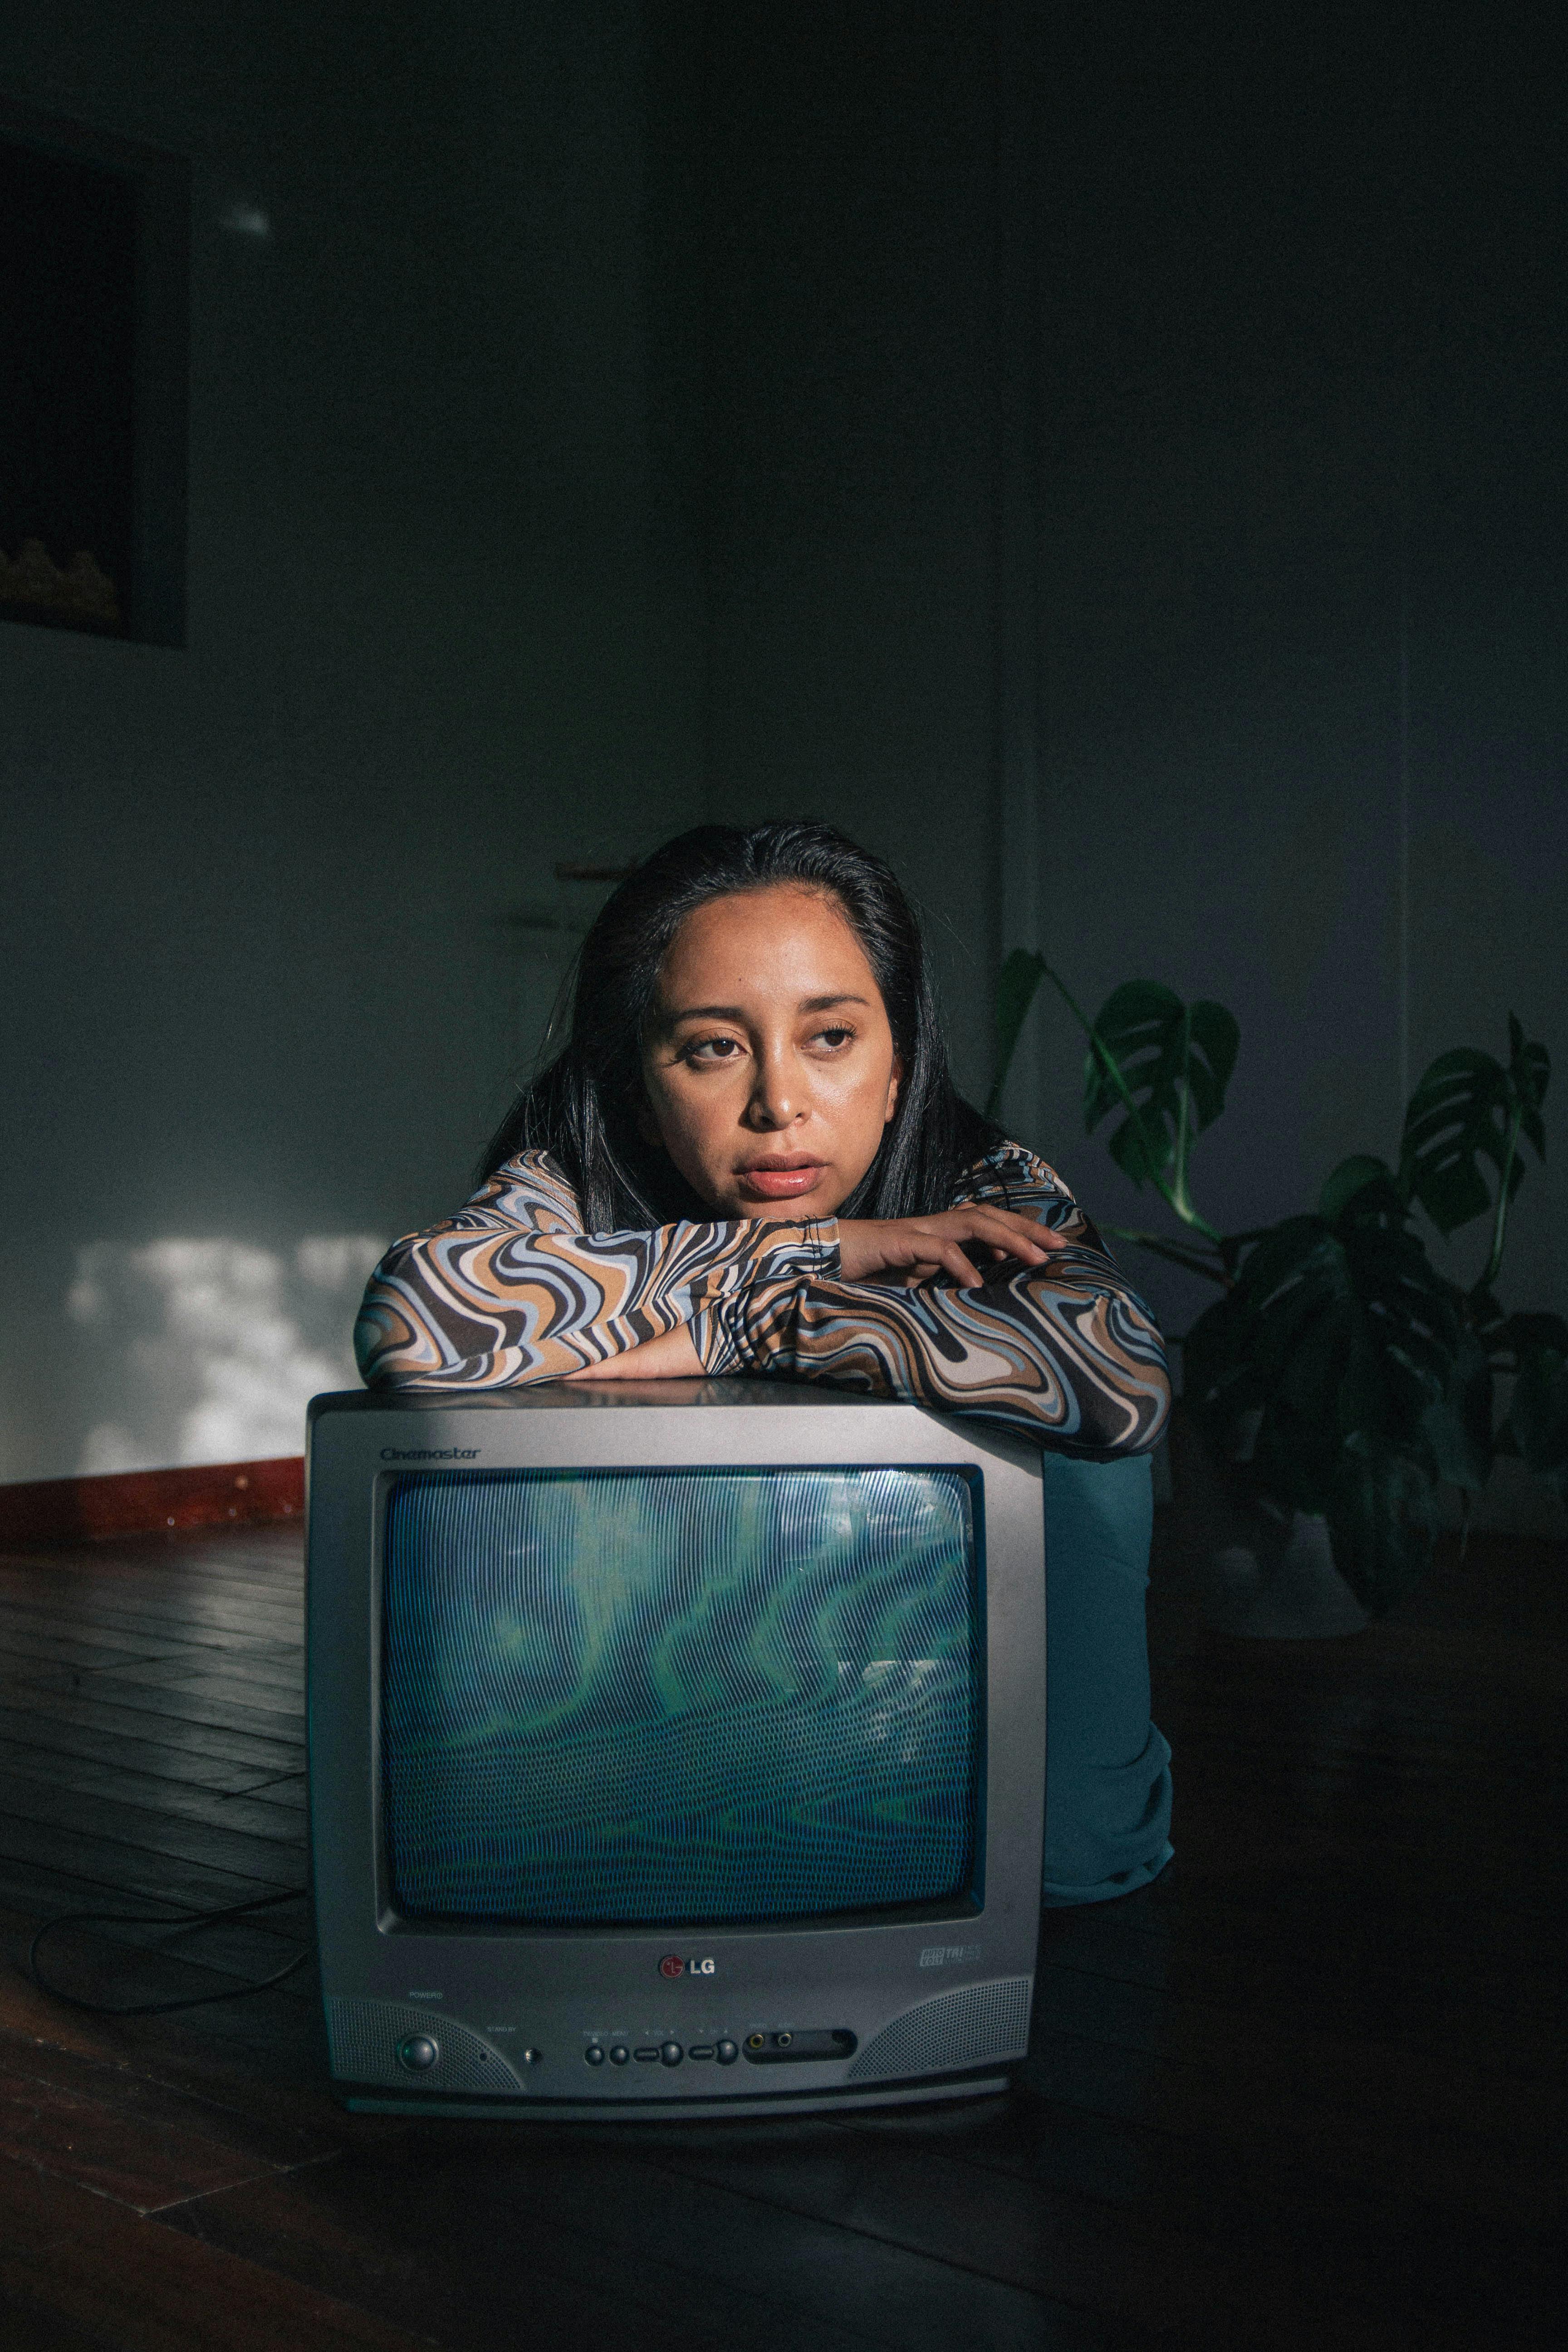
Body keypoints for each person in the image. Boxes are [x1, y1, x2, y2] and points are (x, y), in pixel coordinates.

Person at [356, 819, 1174, 1901]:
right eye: (712, 1047)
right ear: (644, 1092)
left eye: (830, 1037)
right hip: (685, 1708)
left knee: (1083, 1467)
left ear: (896, 1068)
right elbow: (413, 1328)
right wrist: (820, 1248)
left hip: (977, 1757)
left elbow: (1120, 1379)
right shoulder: (570, 1180)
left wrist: (755, 1326)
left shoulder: (982, 1175)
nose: (779, 1104)